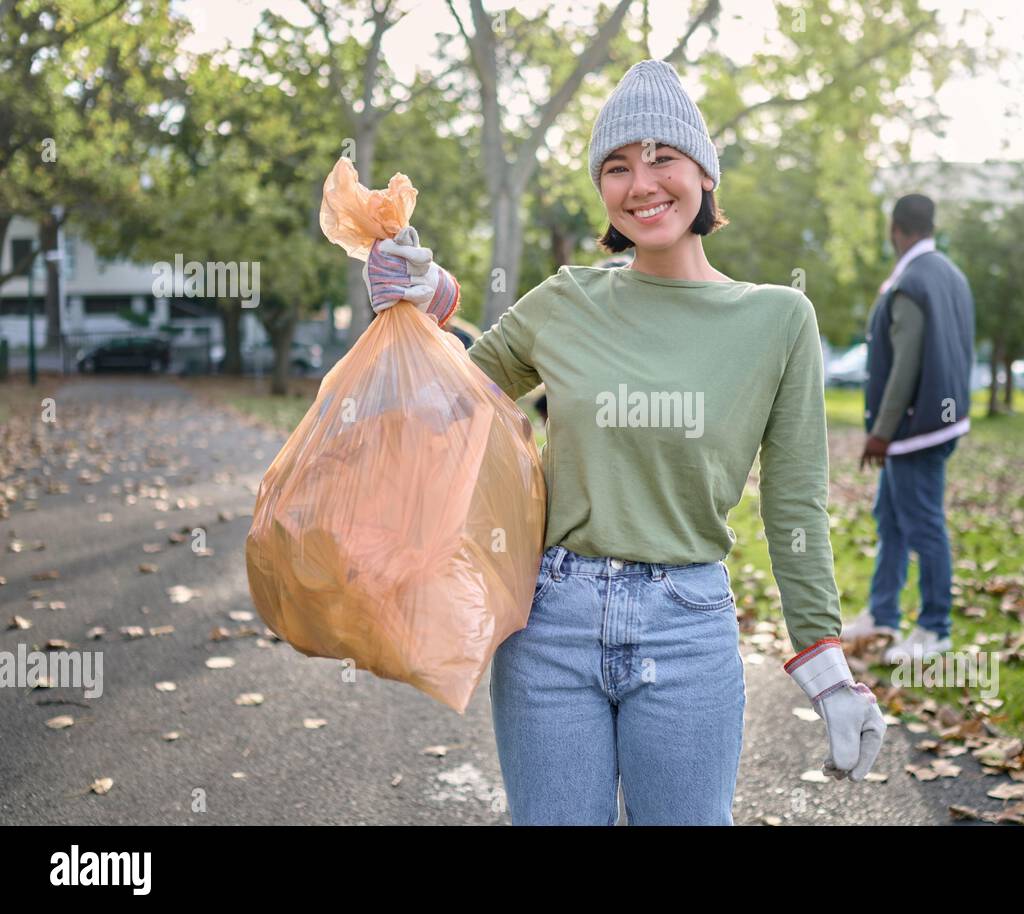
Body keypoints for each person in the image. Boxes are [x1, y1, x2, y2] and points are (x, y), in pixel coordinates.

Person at [358, 59, 885, 825]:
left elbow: (794, 501)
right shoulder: (568, 298)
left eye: (662, 157)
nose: (642, 182)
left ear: (704, 172)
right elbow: (449, 404)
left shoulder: (778, 320)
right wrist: (422, 305)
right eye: (617, 166)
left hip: (687, 624)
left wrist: (826, 663)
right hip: (551, 624)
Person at [844, 194, 974, 665]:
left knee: (923, 526)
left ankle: (935, 628)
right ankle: (882, 615)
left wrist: (881, 431)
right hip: (938, 420)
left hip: (914, 428)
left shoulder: (912, 281)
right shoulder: (950, 273)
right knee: (891, 520)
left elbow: (904, 366)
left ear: (894, 228)